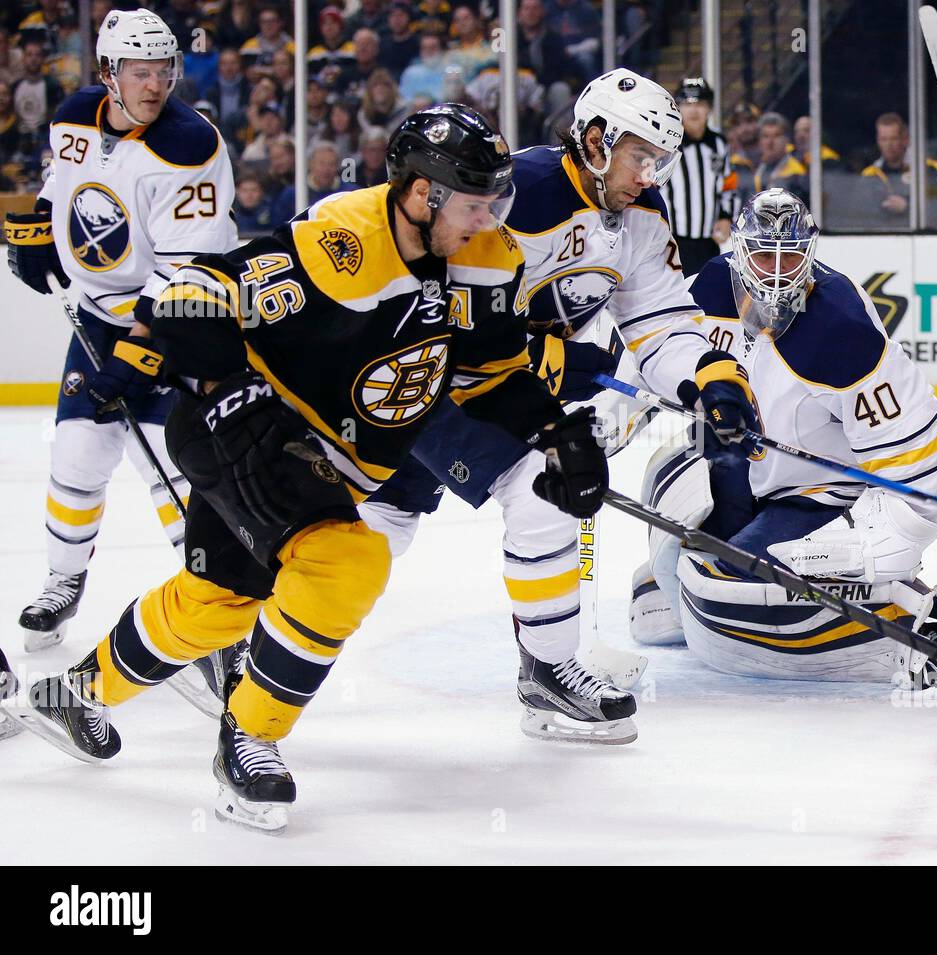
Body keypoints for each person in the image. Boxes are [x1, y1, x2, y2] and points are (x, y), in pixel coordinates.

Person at [1, 104, 607, 834]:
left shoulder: (484, 255)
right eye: (477, 203)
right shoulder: (345, 243)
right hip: (252, 430)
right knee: (346, 561)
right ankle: (248, 735)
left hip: (323, 457)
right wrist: (215, 375)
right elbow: (210, 284)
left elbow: (489, 370)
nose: (490, 219)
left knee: (218, 599)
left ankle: (75, 692)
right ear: (424, 194)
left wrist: (555, 430)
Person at [359, 69, 760, 740]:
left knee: (380, 518)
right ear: (596, 139)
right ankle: (547, 671)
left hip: (491, 388)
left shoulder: (640, 215)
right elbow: (445, 310)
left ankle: (254, 625)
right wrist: (550, 360)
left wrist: (710, 376)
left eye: (663, 160)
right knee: (542, 490)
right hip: (434, 375)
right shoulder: (517, 195)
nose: (652, 174)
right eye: (642, 156)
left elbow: (660, 321)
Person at [627, 188, 937, 684]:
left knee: (733, 590)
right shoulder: (710, 287)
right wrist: (602, 423)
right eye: (763, 254)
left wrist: (878, 541)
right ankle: (671, 584)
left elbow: (923, 451)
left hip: (820, 494)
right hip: (742, 472)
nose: (774, 270)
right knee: (668, 482)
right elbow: (653, 351)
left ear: (810, 252)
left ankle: (912, 626)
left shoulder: (842, 327)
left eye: (788, 255)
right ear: (738, 249)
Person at [2, 9, 237, 709]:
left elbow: (189, 270)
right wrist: (40, 232)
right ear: (108, 73)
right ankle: (64, 578)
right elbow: (61, 185)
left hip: (177, 330)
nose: (157, 82)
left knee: (175, 480)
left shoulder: (190, 144)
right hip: (99, 323)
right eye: (141, 70)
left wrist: (139, 354)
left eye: (166, 68)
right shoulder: (74, 116)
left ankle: (213, 619)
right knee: (75, 455)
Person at [660, 77, 733, 275]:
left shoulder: (719, 144)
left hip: (708, 243)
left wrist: (726, 217)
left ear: (709, 108)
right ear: (677, 107)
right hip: (670, 242)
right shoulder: (665, 145)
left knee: (707, 303)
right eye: (687, 104)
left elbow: (728, 184)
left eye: (700, 104)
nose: (693, 110)